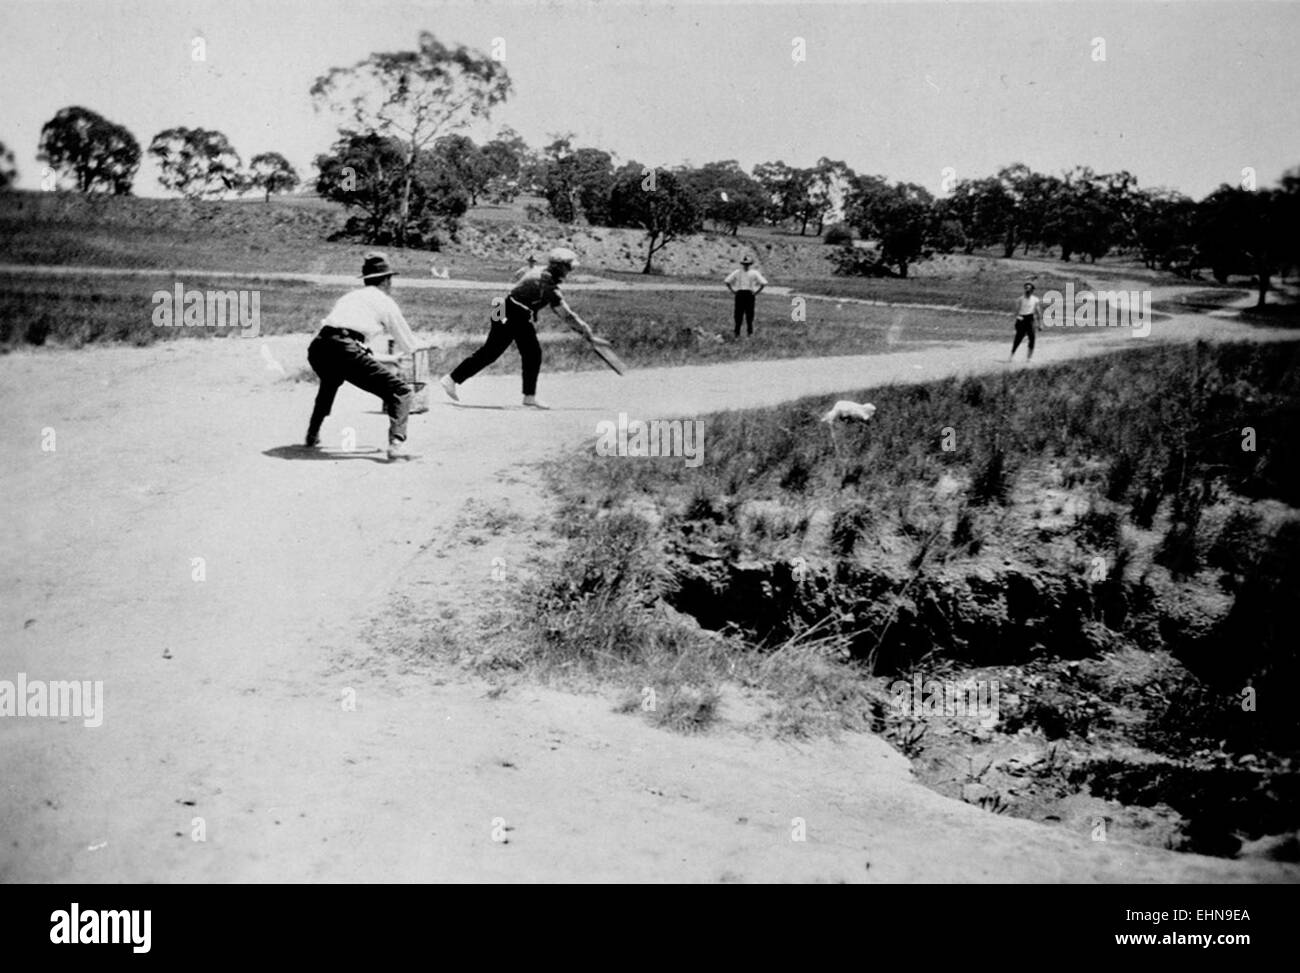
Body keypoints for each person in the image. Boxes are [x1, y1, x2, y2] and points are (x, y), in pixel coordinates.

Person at [440, 247, 608, 410]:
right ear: (560, 267)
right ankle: (452, 379)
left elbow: (521, 275)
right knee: (507, 352)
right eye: (568, 267)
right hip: (513, 313)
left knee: (516, 352)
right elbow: (567, 316)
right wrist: (587, 332)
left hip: (504, 306)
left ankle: (528, 396)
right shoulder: (548, 287)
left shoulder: (541, 272)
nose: (569, 271)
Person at [304, 251, 419, 461]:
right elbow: (408, 343)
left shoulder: (350, 297)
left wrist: (389, 359)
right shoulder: (384, 301)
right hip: (344, 349)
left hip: (319, 347)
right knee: (401, 392)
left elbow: (348, 343)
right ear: (386, 280)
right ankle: (396, 444)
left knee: (330, 381)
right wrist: (428, 345)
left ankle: (312, 433)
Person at [724, 255, 768, 337]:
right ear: (742, 264)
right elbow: (727, 281)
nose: (746, 265)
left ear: (750, 264)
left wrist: (756, 292)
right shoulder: (737, 272)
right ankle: (737, 333)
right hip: (740, 294)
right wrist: (733, 291)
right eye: (745, 264)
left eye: (747, 264)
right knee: (738, 315)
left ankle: (749, 333)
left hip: (749, 294)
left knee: (749, 315)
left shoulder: (754, 273)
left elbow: (764, 283)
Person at [1010, 280, 1042, 362]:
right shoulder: (1020, 299)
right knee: (1018, 338)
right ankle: (1012, 355)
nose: (1027, 290)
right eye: (1026, 288)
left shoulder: (1035, 300)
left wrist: (1040, 324)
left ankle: (1029, 358)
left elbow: (1038, 312)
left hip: (1030, 319)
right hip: (1022, 319)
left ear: (1032, 290)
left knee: (1032, 338)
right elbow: (1016, 311)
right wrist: (1018, 318)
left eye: (1029, 288)